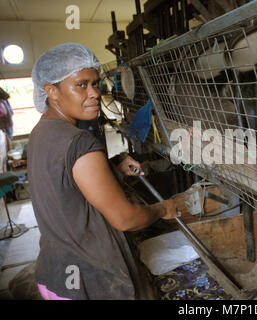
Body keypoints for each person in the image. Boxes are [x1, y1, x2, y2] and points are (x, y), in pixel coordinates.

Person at [28, 42, 178, 300]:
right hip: (92, 283)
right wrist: (164, 208)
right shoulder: (80, 142)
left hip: (56, 276)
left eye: (95, 83)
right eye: (81, 84)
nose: (95, 93)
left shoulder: (41, 132)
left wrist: (113, 169)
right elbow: (126, 219)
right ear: (51, 91)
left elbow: (65, 184)